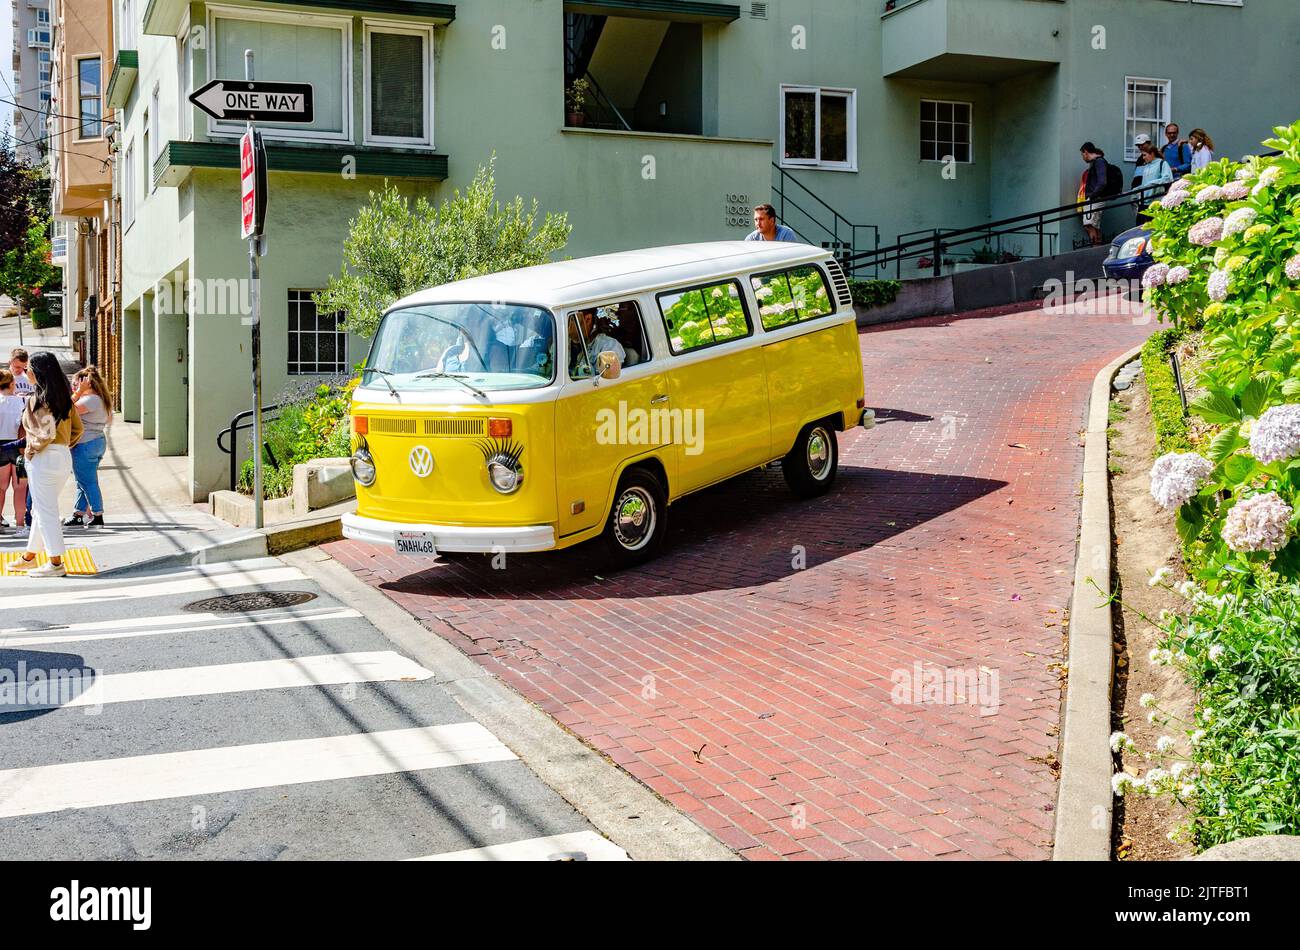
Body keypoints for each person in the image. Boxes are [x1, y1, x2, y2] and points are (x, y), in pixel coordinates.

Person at [7, 352, 82, 578]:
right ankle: (30, 556)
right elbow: (78, 430)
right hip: (62, 457)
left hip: (44, 458)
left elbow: (45, 434)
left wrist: (31, 449)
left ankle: (55, 562)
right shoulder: (64, 399)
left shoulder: (38, 399)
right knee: (41, 508)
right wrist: (62, 444)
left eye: (30, 368)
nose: (26, 371)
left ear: (38, 372)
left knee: (46, 511)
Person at [65, 365, 112, 529]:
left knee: (88, 482)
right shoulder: (101, 399)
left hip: (85, 444)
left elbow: (65, 410)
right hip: (97, 441)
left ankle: (97, 515)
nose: (74, 387)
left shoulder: (89, 400)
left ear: (87, 383)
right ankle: (78, 514)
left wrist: (78, 393)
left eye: (76, 384)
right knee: (83, 480)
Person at [0, 368, 27, 534]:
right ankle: (20, 525)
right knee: (20, 488)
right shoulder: (22, 402)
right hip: (18, 447)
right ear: (11, 384)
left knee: (0, 488)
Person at [569, 309, 624, 378]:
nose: (564, 325)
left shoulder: (608, 346)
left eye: (570, 320)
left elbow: (608, 379)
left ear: (588, 319)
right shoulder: (559, 342)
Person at [1134, 139, 1173, 224]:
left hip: (1155, 201)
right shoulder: (1146, 166)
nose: (1143, 158)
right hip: (1143, 201)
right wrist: (1136, 190)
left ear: (1152, 154)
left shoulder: (1162, 163)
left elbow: (1168, 179)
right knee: (1140, 227)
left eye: (1145, 155)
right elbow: (1145, 184)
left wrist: (1153, 183)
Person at [1078, 142, 1110, 247]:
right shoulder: (1096, 162)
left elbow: (1102, 182)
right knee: (1093, 226)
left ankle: (1095, 250)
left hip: (1095, 199)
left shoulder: (1099, 162)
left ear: (1086, 152)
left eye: (1082, 155)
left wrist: (1091, 196)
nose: (1083, 158)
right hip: (1095, 198)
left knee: (1089, 225)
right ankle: (1097, 249)